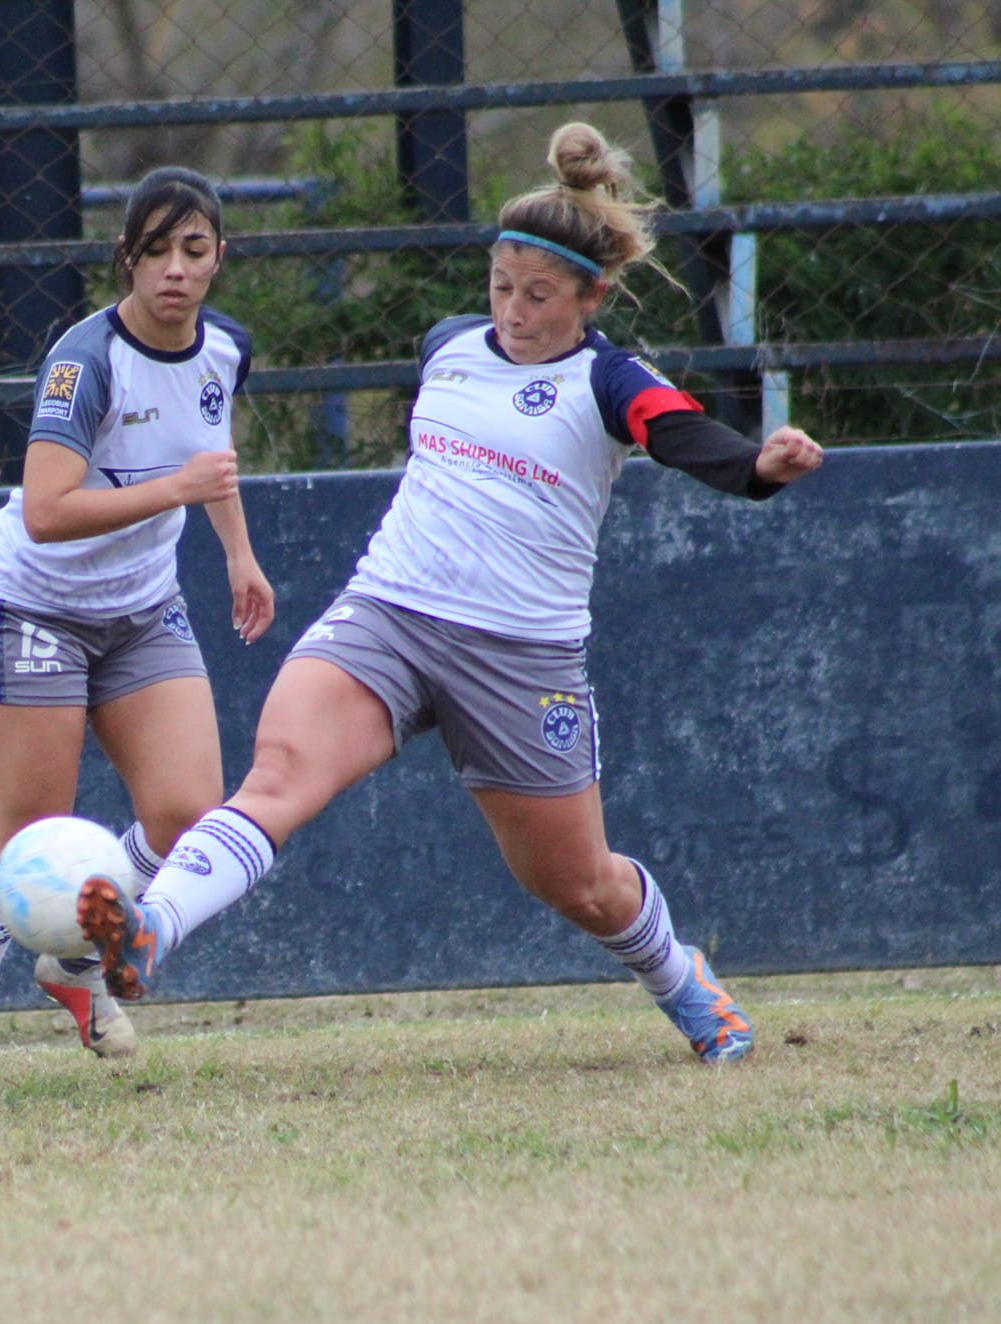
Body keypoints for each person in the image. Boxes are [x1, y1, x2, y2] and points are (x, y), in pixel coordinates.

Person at [77, 124, 826, 1064]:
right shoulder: (448, 347)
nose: (513, 310)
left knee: (579, 884)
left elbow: (677, 432)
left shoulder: (607, 377)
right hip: (388, 612)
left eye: (540, 295)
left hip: (520, 653)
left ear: (592, 296)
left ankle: (682, 980)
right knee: (276, 775)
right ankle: (152, 929)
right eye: (501, 287)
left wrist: (757, 463)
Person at [0, 167, 276, 1067]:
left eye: (194, 250)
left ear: (219, 259)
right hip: (32, 604)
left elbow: (211, 455)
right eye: (154, 250)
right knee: (29, 836)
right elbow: (45, 509)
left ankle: (76, 954)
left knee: (187, 811)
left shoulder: (224, 348)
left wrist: (237, 552)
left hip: (143, 609)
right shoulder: (86, 359)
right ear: (126, 259)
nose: (174, 270)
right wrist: (177, 491)